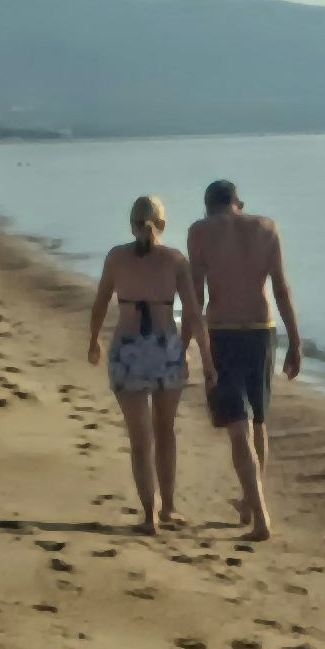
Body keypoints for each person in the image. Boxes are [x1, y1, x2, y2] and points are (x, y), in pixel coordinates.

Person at [187, 177, 302, 540]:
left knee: (238, 427)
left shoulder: (200, 231)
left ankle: (261, 519)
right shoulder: (266, 227)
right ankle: (250, 503)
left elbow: (195, 296)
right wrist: (296, 342)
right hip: (262, 331)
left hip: (224, 333)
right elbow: (281, 288)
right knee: (258, 421)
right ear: (239, 202)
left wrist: (182, 346)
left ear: (209, 205)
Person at [86, 194, 197, 532]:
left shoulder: (116, 258)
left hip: (128, 351)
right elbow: (193, 310)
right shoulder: (176, 259)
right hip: (165, 350)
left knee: (139, 439)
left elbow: (101, 303)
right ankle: (169, 507)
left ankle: (149, 516)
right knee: (165, 432)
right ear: (163, 225)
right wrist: (188, 346)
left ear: (131, 223)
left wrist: (93, 341)